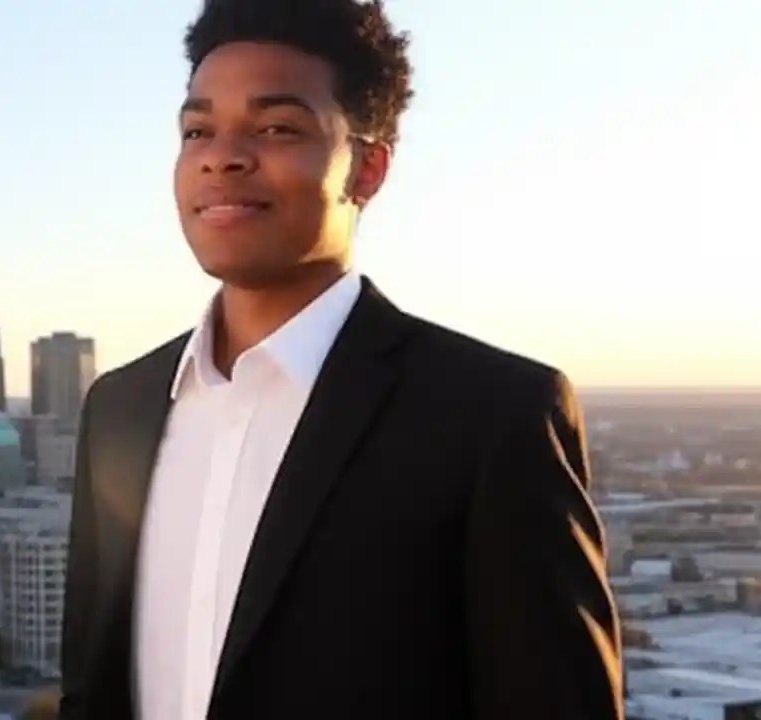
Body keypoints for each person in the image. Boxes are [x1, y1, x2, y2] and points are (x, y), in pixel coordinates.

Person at [59, 0, 623, 718]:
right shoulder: (120, 407)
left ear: (368, 167)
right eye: (197, 129)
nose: (221, 155)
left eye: (277, 128)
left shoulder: (490, 414)